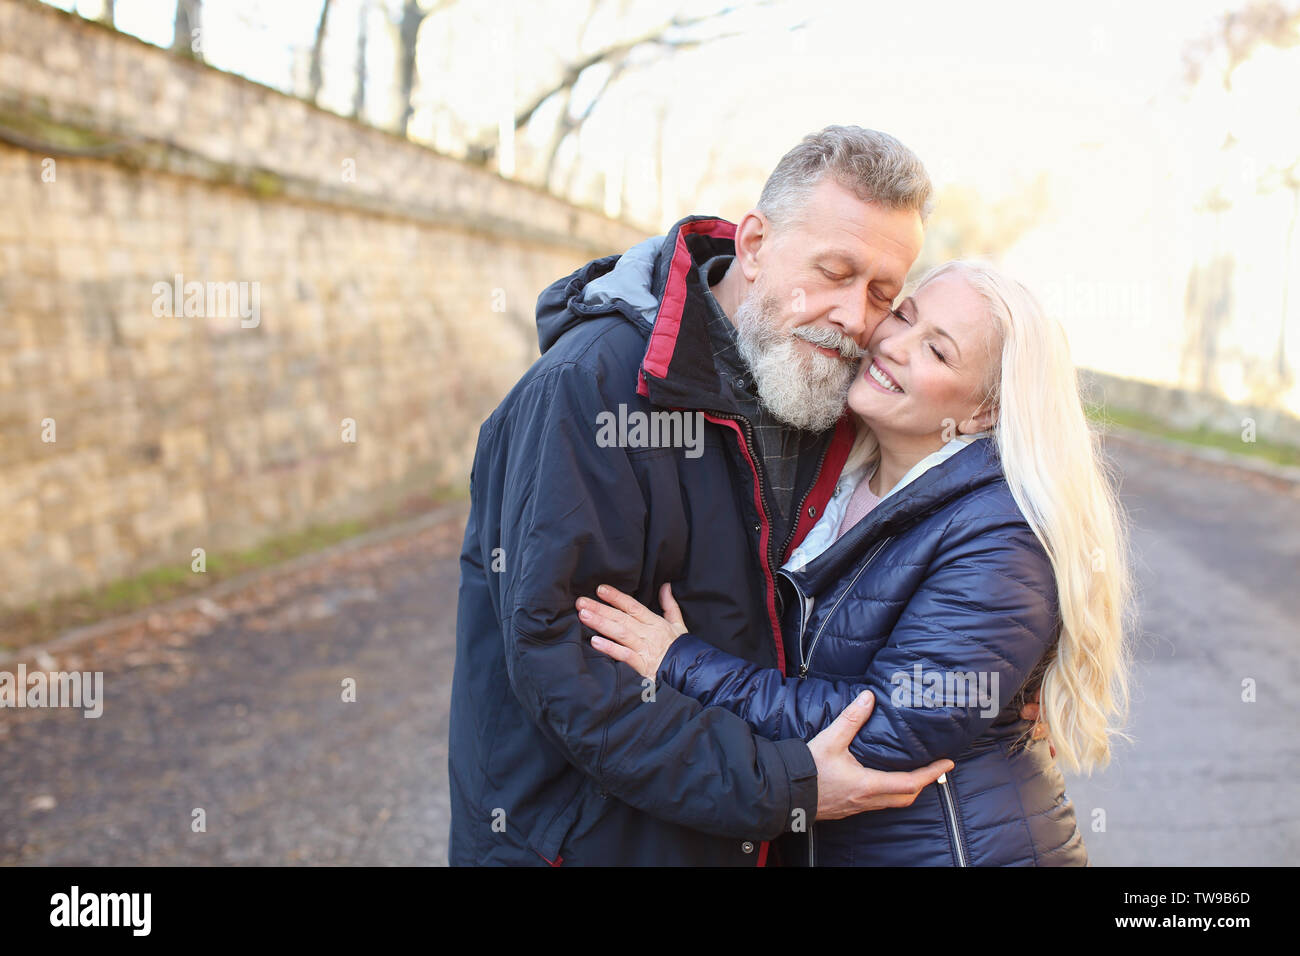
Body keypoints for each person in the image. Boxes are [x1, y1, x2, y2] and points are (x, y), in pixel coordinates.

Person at [448, 126, 1016, 866]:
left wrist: (1007, 673)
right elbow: (568, 673)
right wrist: (788, 787)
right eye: (834, 271)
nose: (854, 316)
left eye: (882, 292)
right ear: (753, 244)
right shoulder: (590, 390)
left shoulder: (835, 392)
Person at [580, 259, 1133, 866]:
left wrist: (681, 662)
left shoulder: (1002, 532)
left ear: (983, 414)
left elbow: (887, 730)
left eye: (938, 353)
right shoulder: (835, 471)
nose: (893, 344)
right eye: (903, 316)